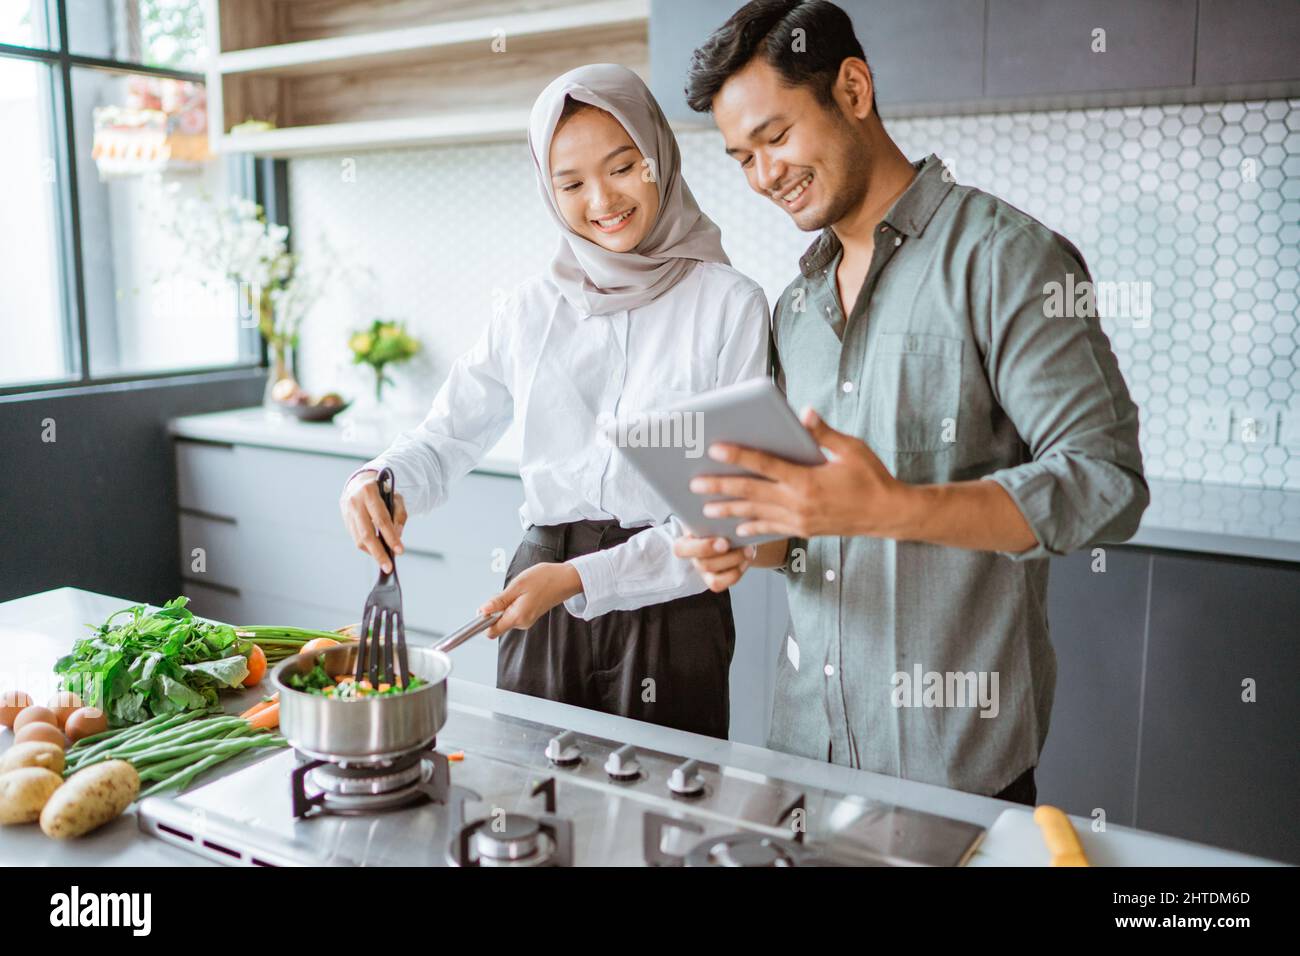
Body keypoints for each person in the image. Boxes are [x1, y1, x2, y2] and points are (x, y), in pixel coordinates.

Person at [673, 0, 1149, 802]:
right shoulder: (797, 306)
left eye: (776, 137)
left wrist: (892, 507)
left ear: (853, 89)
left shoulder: (1007, 259)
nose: (763, 176)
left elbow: (1106, 485)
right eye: (741, 158)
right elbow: (805, 527)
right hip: (805, 756)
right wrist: (745, 545)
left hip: (955, 772)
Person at [340, 64, 769, 739]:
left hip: (671, 608)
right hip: (537, 599)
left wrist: (575, 579)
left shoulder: (730, 304)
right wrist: (379, 479)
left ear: (659, 156)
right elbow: (447, 434)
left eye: (623, 166)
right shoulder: (529, 309)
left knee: (666, 820)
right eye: (570, 183)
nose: (601, 199)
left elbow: (723, 520)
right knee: (532, 803)